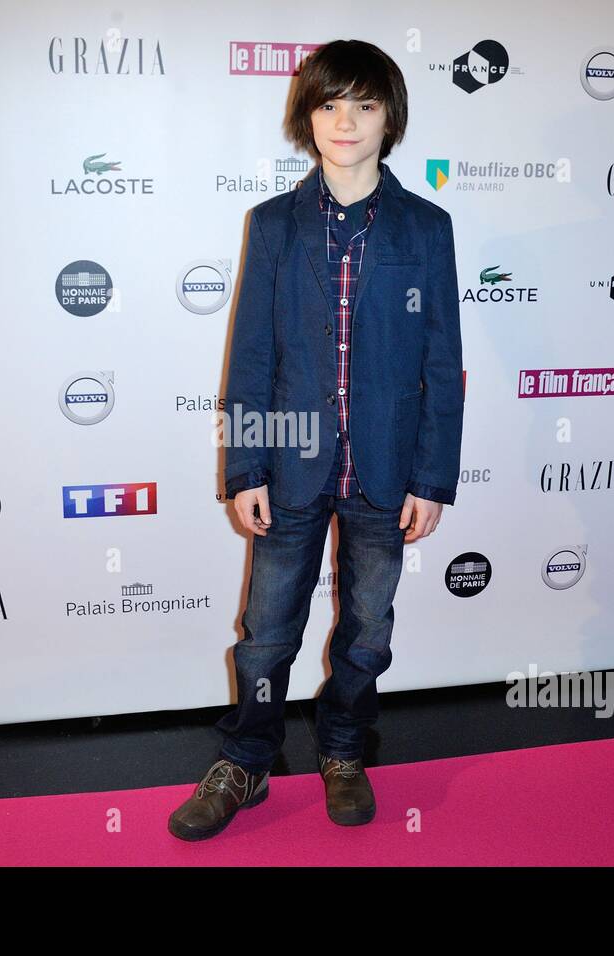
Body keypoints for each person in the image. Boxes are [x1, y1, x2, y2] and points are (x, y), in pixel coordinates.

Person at [168, 39, 463, 841]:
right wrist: (246, 466)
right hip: (290, 462)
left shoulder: (426, 228)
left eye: (364, 105)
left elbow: (443, 360)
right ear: (308, 114)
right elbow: (253, 353)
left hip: (386, 470)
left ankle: (343, 750)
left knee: (368, 629)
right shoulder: (272, 226)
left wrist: (433, 480)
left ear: (389, 118)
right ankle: (247, 759)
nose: (346, 121)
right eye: (331, 104)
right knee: (266, 635)